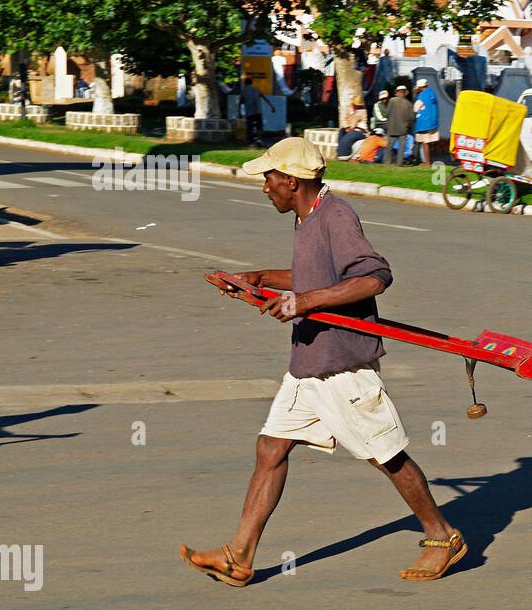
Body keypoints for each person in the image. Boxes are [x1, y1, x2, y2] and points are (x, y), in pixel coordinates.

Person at [180, 137, 466, 586]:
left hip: (342, 363)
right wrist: (257, 280)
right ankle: (239, 555)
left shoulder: (335, 216)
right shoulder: (305, 218)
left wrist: (303, 302)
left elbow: (374, 276)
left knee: (385, 456)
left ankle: (442, 534)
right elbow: (314, 275)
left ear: (291, 180)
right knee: (271, 449)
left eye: (269, 178)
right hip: (309, 361)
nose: (264, 187)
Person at [413, 78, 440, 166]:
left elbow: (415, 108)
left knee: (425, 143)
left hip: (424, 123)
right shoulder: (432, 94)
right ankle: (428, 161)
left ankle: (427, 162)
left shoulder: (422, 96)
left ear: (420, 87)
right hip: (433, 123)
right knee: (429, 142)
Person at [386, 84, 414, 166]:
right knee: (402, 147)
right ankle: (399, 163)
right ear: (405, 93)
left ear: (397, 92)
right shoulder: (408, 104)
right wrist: (408, 125)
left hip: (392, 127)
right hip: (403, 129)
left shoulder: (391, 101)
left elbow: (387, 113)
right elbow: (411, 118)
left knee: (389, 146)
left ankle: (387, 162)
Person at [241, 80, 273, 148]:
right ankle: (259, 140)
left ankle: (251, 142)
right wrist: (271, 106)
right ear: (251, 83)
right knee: (259, 127)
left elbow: (241, 101)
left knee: (250, 127)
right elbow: (264, 98)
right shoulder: (256, 89)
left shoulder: (243, 91)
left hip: (249, 112)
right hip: (257, 111)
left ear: (245, 83)